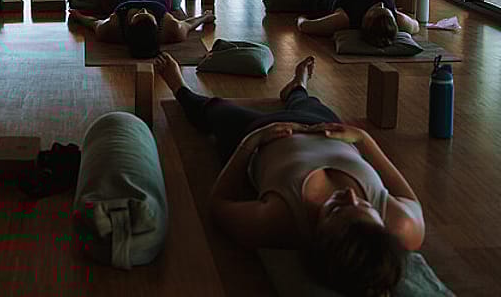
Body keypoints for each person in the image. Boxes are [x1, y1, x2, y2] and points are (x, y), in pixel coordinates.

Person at [156, 53, 424, 297]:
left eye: (336, 209)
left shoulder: (279, 220)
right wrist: (363, 139)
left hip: (261, 130)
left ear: (318, 234)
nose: (352, 196)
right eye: (365, 206)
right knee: (304, 101)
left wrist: (251, 142)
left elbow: (218, 205)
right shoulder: (403, 226)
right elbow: (406, 195)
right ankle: (298, 85)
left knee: (214, 109)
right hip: (325, 125)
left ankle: (179, 86)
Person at [69, 0, 215, 57]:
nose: (143, 9)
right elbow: (189, 24)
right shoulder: (171, 29)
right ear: (157, 25)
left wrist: (78, 16)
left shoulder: (112, 29)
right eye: (147, 14)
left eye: (138, 14)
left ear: (129, 26)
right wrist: (205, 17)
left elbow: (93, 23)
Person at [273, 0, 418, 48]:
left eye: (376, 10)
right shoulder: (398, 19)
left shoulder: (344, 18)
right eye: (384, 9)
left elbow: (305, 26)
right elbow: (416, 25)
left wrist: (302, 16)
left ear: (365, 20)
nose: (380, 5)